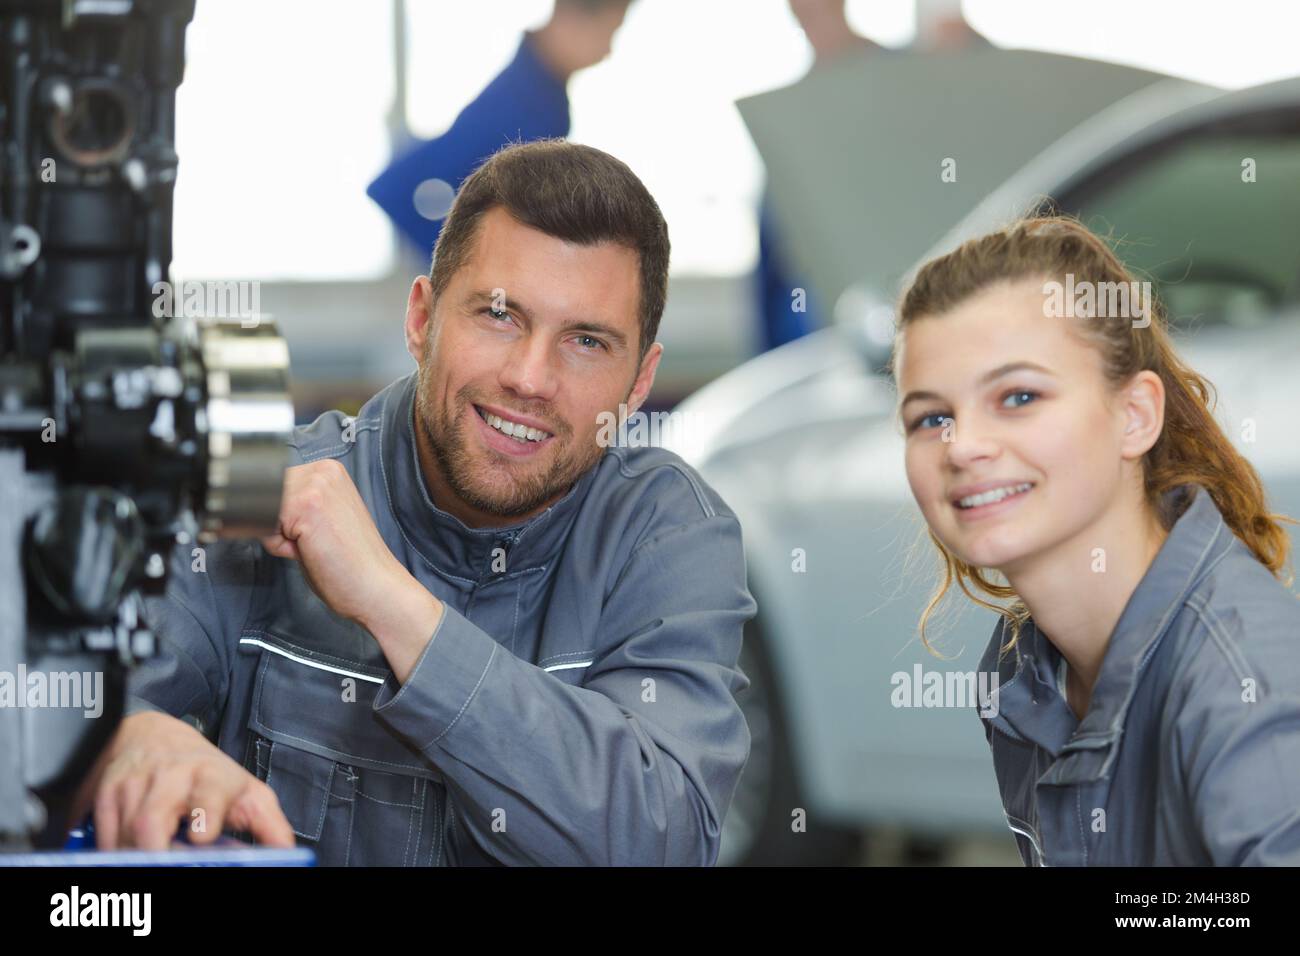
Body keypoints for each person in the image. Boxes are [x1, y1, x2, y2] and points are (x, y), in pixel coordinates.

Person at [79, 140, 755, 866]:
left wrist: (391, 603)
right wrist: (128, 734)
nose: (531, 378)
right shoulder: (266, 497)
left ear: (639, 382)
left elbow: (663, 837)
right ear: (422, 320)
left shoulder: (670, 538)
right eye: (499, 316)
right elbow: (72, 701)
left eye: (586, 342)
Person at [891, 215, 1300, 865]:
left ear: (1135, 416)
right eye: (931, 417)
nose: (962, 446)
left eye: (1018, 396)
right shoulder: (1023, 670)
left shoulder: (1245, 680)